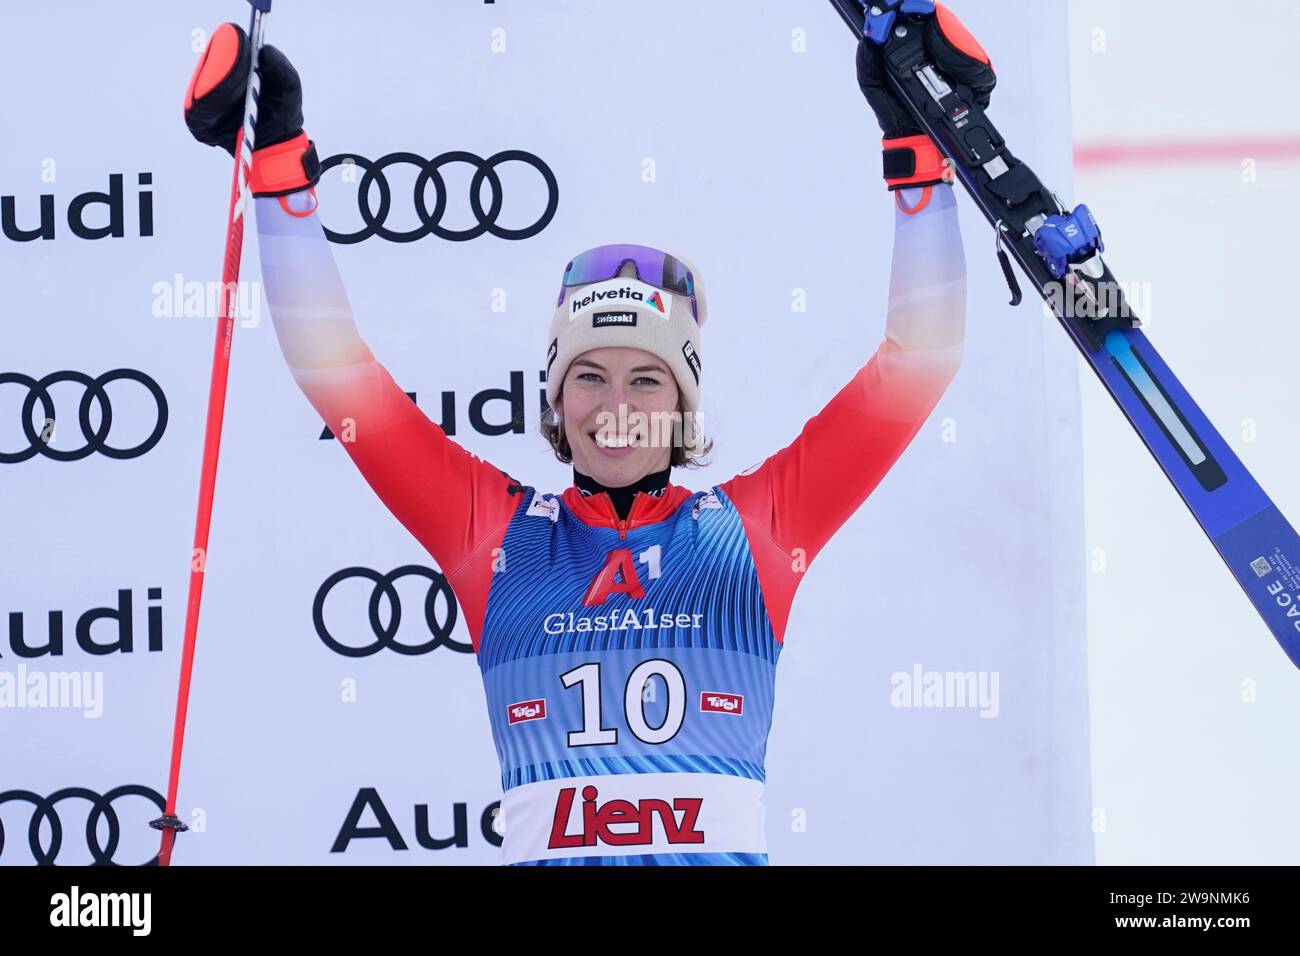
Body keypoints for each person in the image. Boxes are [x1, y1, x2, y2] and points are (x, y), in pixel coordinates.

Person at [183, 4, 995, 865]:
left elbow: (922, 359)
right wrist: (278, 173)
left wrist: (921, 167)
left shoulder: (752, 535)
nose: (616, 405)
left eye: (647, 378)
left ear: (683, 401)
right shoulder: (493, 539)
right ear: (556, 398)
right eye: (589, 377)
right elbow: (334, 368)